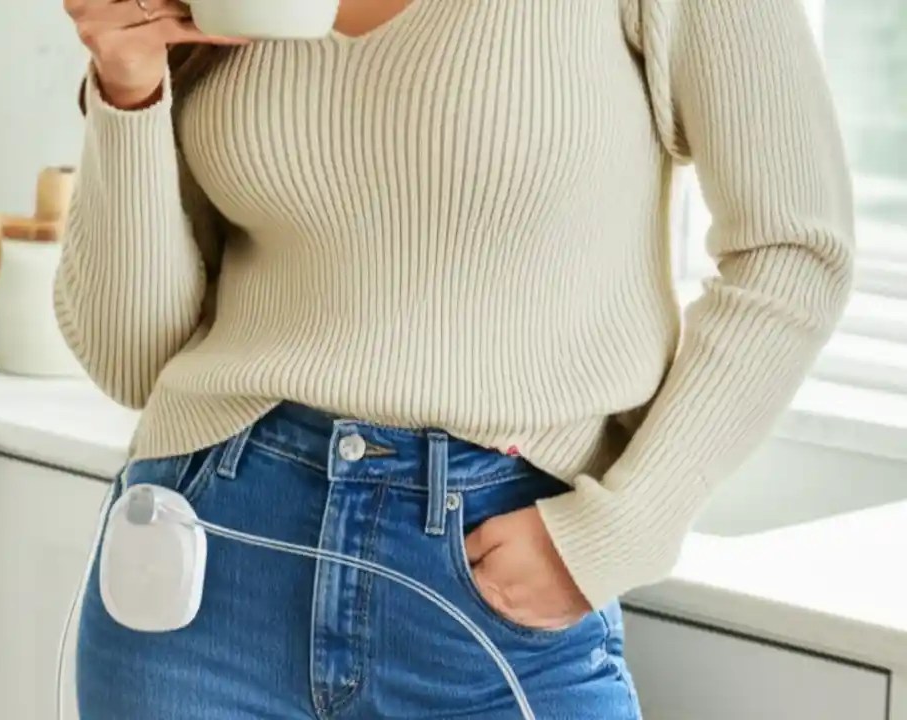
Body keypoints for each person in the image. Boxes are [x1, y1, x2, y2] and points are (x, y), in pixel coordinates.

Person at [56, 0, 855, 717]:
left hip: (498, 573)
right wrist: (127, 88)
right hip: (208, 570)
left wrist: (619, 530)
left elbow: (794, 249)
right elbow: (133, 359)